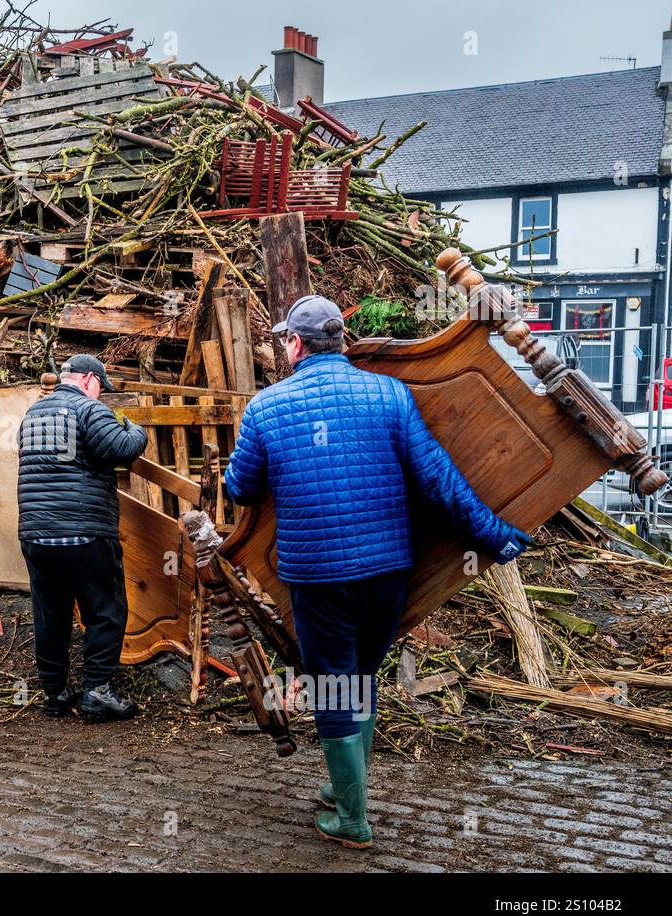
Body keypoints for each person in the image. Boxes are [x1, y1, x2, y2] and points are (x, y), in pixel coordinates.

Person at [225, 294, 531, 849]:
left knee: (333, 685)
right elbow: (439, 482)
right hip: (387, 570)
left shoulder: (266, 408)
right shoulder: (390, 395)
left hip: (317, 574)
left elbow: (241, 488)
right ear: (341, 340)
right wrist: (497, 537)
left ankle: (353, 818)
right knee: (360, 675)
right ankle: (348, 789)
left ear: (295, 345)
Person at [16, 354, 148, 721]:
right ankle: (98, 691)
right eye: (100, 389)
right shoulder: (89, 410)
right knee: (105, 611)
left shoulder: (32, 415)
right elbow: (121, 449)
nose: (100, 395)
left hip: (36, 534)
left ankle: (55, 693)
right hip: (85, 532)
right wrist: (137, 430)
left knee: (50, 613)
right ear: (90, 380)